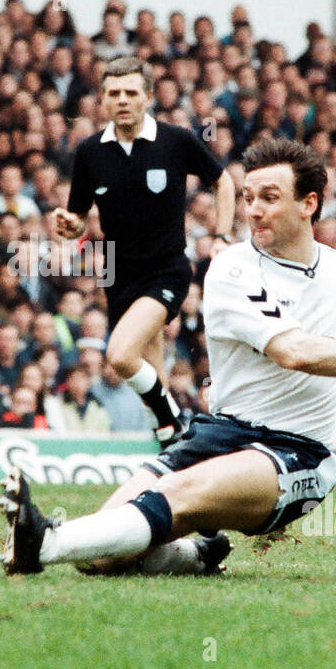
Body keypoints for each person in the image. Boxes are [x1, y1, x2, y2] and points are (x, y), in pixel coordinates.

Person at [0, 137, 336, 575]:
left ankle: (43, 543)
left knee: (176, 495)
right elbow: (296, 352)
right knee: (104, 558)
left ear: (309, 204)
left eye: (269, 197)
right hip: (219, 433)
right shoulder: (231, 270)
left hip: (298, 453)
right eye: (248, 196)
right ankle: (198, 554)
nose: (253, 209)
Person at [50, 56, 234, 449]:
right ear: (102, 99)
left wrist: (222, 236)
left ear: (148, 97)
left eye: (131, 92)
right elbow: (79, 217)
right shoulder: (89, 152)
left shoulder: (176, 141)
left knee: (118, 355)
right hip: (116, 271)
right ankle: (172, 456)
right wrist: (71, 226)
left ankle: (173, 422)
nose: (122, 100)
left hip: (166, 269)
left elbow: (224, 182)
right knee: (150, 371)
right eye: (114, 93)